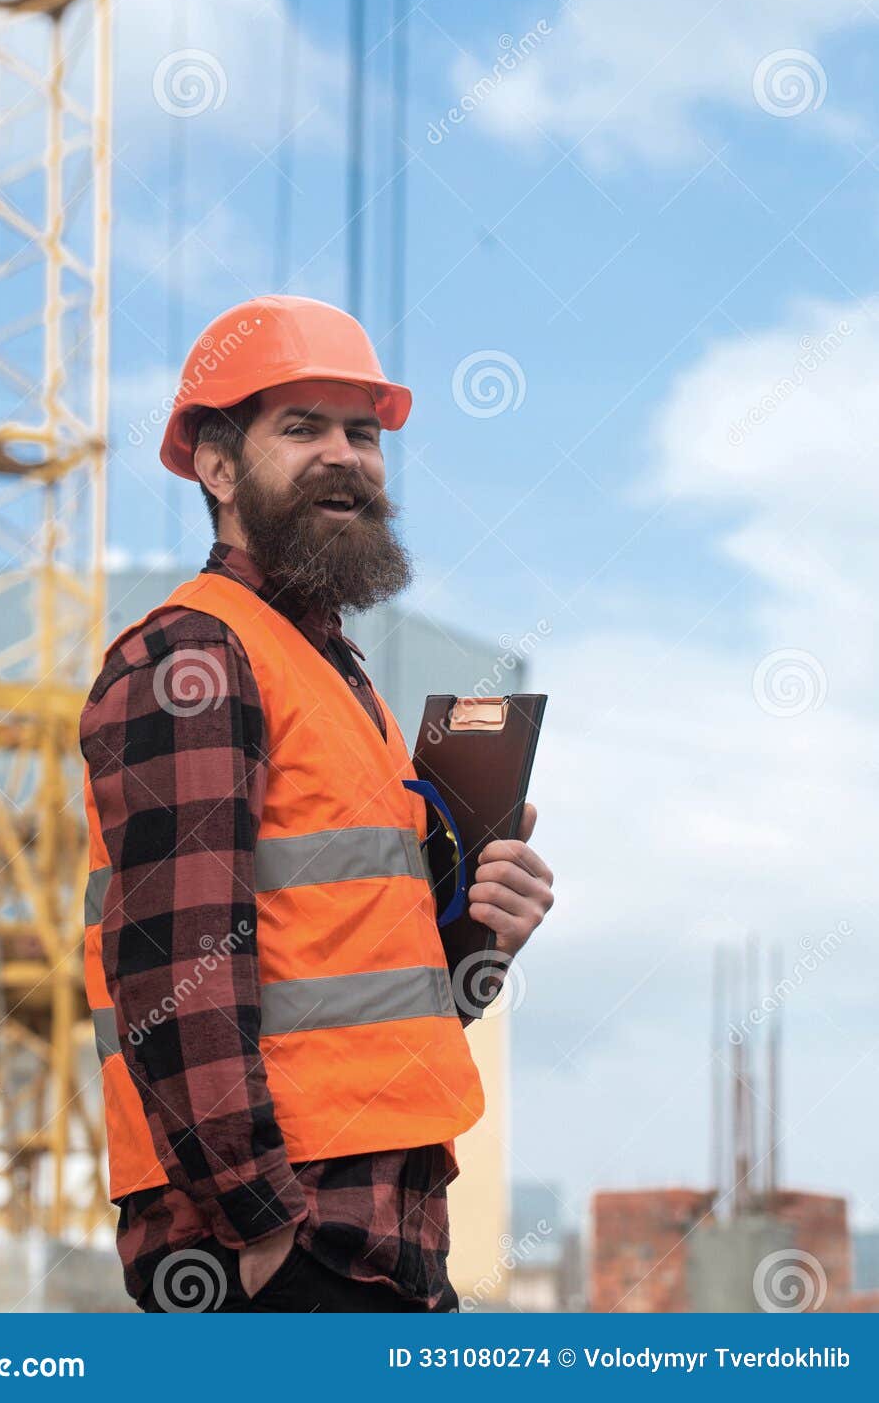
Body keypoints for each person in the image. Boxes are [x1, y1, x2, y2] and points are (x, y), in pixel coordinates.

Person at [79, 294, 554, 1313]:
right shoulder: (191, 659)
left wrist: (479, 937)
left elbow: (368, 1005)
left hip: (375, 1240)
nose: (344, 455)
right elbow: (171, 959)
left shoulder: (338, 681)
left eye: (363, 432)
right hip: (281, 1248)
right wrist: (255, 1223)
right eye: (302, 427)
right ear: (214, 464)